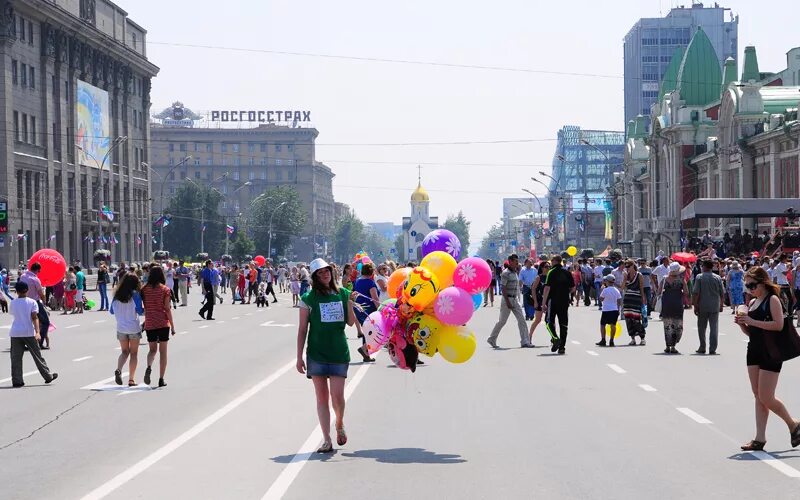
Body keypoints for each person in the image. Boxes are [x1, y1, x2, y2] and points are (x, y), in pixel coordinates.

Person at [295, 258, 358, 453]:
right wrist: (299, 357)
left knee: (337, 396)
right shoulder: (308, 298)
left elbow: (350, 322)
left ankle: (339, 423)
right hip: (316, 353)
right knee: (321, 398)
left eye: (327, 271)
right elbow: (303, 329)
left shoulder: (343, 293)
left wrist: (350, 304)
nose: (325, 275)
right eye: (320, 273)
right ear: (314, 277)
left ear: (331, 273)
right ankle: (326, 439)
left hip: (339, 351)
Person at [735, 266, 800, 451]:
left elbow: (778, 325)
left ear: (763, 282)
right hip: (754, 350)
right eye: (747, 286)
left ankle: (793, 423)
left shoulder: (772, 299)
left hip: (771, 352)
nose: (750, 289)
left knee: (766, 396)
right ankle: (759, 438)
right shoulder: (754, 302)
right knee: (758, 395)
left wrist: (752, 321)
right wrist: (743, 325)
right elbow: (752, 332)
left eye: (752, 285)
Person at [8, 281, 58, 387]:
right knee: (37, 356)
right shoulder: (32, 302)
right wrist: (38, 332)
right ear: (27, 290)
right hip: (28, 332)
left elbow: (13, 314)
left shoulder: (13, 302)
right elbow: (35, 318)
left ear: (16, 291)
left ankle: (17, 381)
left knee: (15, 358)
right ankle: (47, 376)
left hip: (15, 333)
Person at [487, 254, 534, 349]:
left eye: (517, 261)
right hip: (507, 300)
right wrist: (508, 302)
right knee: (502, 321)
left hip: (515, 299)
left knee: (522, 320)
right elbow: (503, 287)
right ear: (510, 261)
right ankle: (492, 338)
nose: (517, 263)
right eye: (515, 261)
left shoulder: (515, 272)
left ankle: (525, 341)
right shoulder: (506, 273)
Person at [140, 266, 176, 387]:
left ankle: (149, 366)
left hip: (150, 323)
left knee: (152, 350)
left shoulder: (144, 289)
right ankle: (161, 379)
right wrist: (172, 325)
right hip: (162, 323)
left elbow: (142, 307)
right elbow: (167, 308)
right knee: (163, 352)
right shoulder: (165, 289)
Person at [111, 273, 145, 386]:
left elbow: (111, 311)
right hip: (134, 327)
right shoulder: (135, 295)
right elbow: (140, 311)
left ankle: (119, 369)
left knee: (124, 352)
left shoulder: (116, 295)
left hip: (121, 328)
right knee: (134, 353)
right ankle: (131, 379)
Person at [542, 255, 575, 354]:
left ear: (555, 261)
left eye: (552, 260)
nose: (551, 262)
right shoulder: (567, 272)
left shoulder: (551, 272)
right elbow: (573, 288)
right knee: (563, 324)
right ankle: (562, 347)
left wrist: (544, 303)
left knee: (548, 322)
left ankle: (555, 338)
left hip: (553, 300)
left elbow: (547, 288)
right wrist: (566, 293)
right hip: (564, 301)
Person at [693, 259, 725, 355]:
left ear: (705, 267)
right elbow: (722, 293)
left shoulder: (699, 277)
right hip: (714, 305)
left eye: (702, 266)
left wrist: (695, 305)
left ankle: (702, 347)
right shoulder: (718, 277)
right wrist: (721, 304)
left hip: (702, 305)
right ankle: (712, 349)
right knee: (714, 327)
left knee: (701, 327)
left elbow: (696, 293)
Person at [659, 262, 690, 354]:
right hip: (677, 304)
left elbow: (659, 291)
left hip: (667, 304)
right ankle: (673, 346)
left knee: (667, 325)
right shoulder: (681, 280)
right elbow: (686, 292)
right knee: (677, 325)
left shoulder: (664, 279)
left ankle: (668, 345)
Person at [352, 263, 380, 362]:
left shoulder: (357, 281)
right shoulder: (370, 283)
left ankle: (366, 354)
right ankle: (364, 348)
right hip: (369, 310)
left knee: (367, 330)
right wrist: (380, 311)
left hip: (359, 309)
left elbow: (353, 294)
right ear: (371, 272)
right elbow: (375, 298)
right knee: (375, 331)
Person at [622, 260, 647, 346]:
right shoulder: (626, 276)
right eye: (626, 267)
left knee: (636, 319)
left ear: (633, 266)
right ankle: (632, 338)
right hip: (627, 300)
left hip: (636, 299)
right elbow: (622, 288)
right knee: (628, 319)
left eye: (628, 266)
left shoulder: (639, 275)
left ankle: (642, 337)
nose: (627, 268)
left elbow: (641, 288)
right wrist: (625, 279)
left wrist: (643, 299)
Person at [596, 275, 622, 347]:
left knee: (602, 325)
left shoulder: (605, 290)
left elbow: (601, 299)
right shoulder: (616, 290)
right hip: (614, 309)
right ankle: (611, 340)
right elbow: (619, 301)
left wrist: (602, 290)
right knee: (613, 325)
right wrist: (618, 309)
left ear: (607, 281)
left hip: (606, 310)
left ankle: (603, 339)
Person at [528, 260, 550, 345]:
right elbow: (533, 289)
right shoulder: (539, 278)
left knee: (550, 321)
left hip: (548, 301)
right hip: (540, 300)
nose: (548, 268)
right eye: (546, 267)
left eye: (549, 267)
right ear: (542, 268)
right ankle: (529, 337)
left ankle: (553, 338)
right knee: (537, 320)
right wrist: (535, 302)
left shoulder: (550, 277)